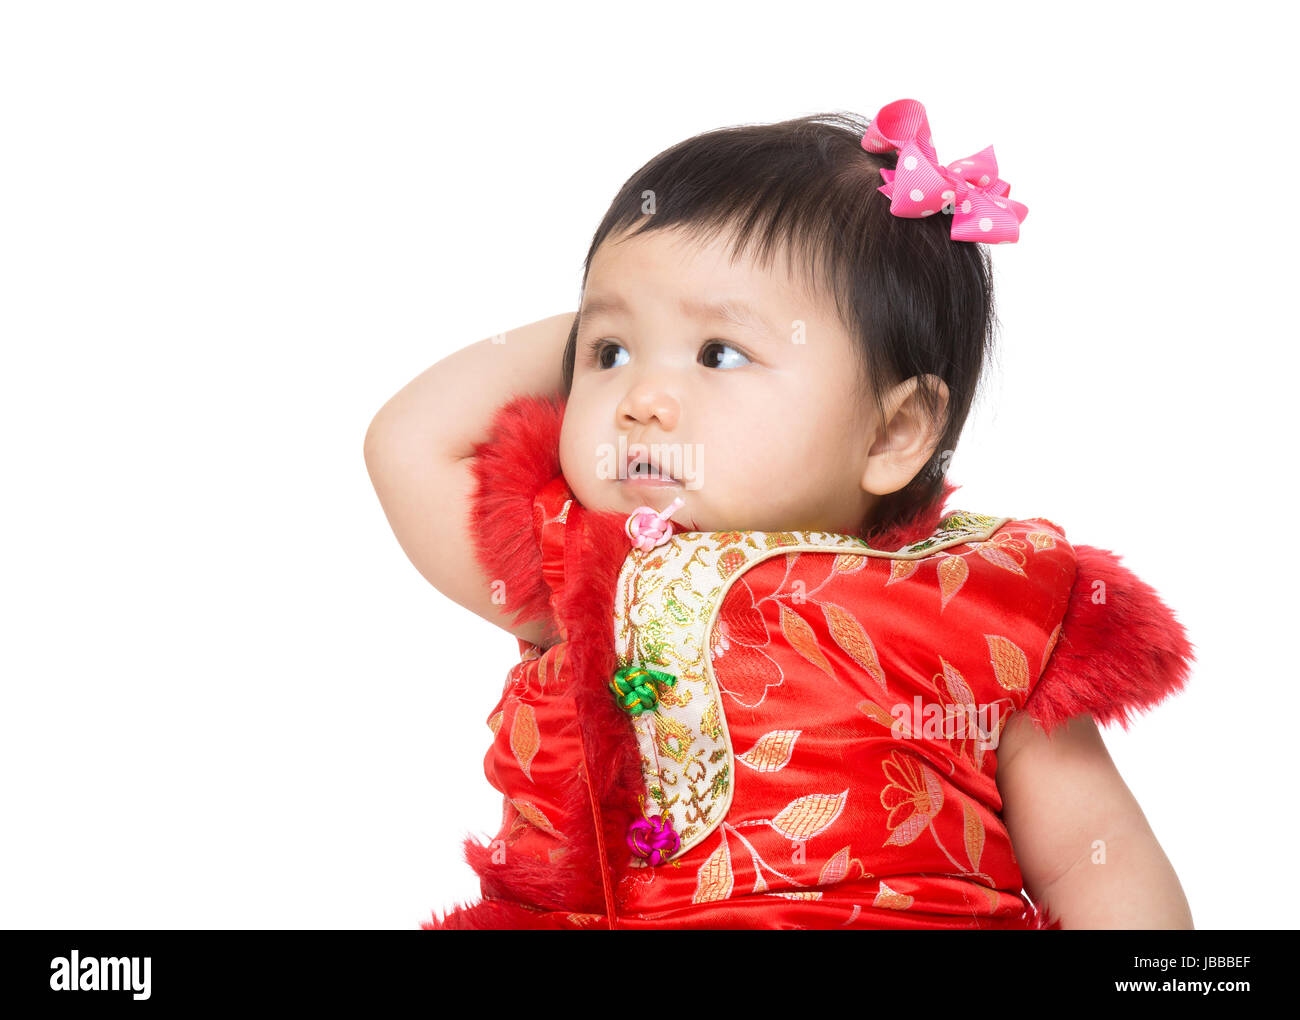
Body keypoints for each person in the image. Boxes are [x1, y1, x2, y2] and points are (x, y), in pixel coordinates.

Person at [365, 99, 1196, 929]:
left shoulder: (979, 605)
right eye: (609, 354)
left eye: (719, 353)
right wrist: (615, 317)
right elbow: (408, 443)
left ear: (896, 430)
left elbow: (1100, 856)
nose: (642, 401)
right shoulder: (581, 576)